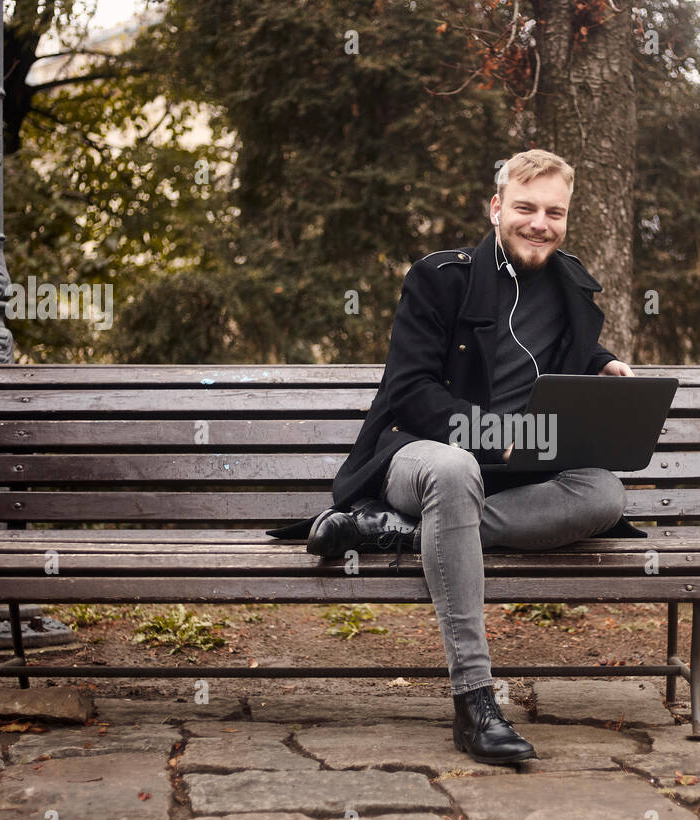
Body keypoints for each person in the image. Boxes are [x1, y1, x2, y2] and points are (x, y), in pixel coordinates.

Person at [267, 149, 644, 764]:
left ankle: (394, 535)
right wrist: (487, 433)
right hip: (421, 458)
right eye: (525, 207)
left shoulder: (571, 283)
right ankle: (475, 702)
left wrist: (601, 363)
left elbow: (568, 352)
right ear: (496, 207)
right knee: (455, 468)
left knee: (605, 493)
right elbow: (410, 391)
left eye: (555, 211)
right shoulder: (439, 276)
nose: (539, 223)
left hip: (519, 477)